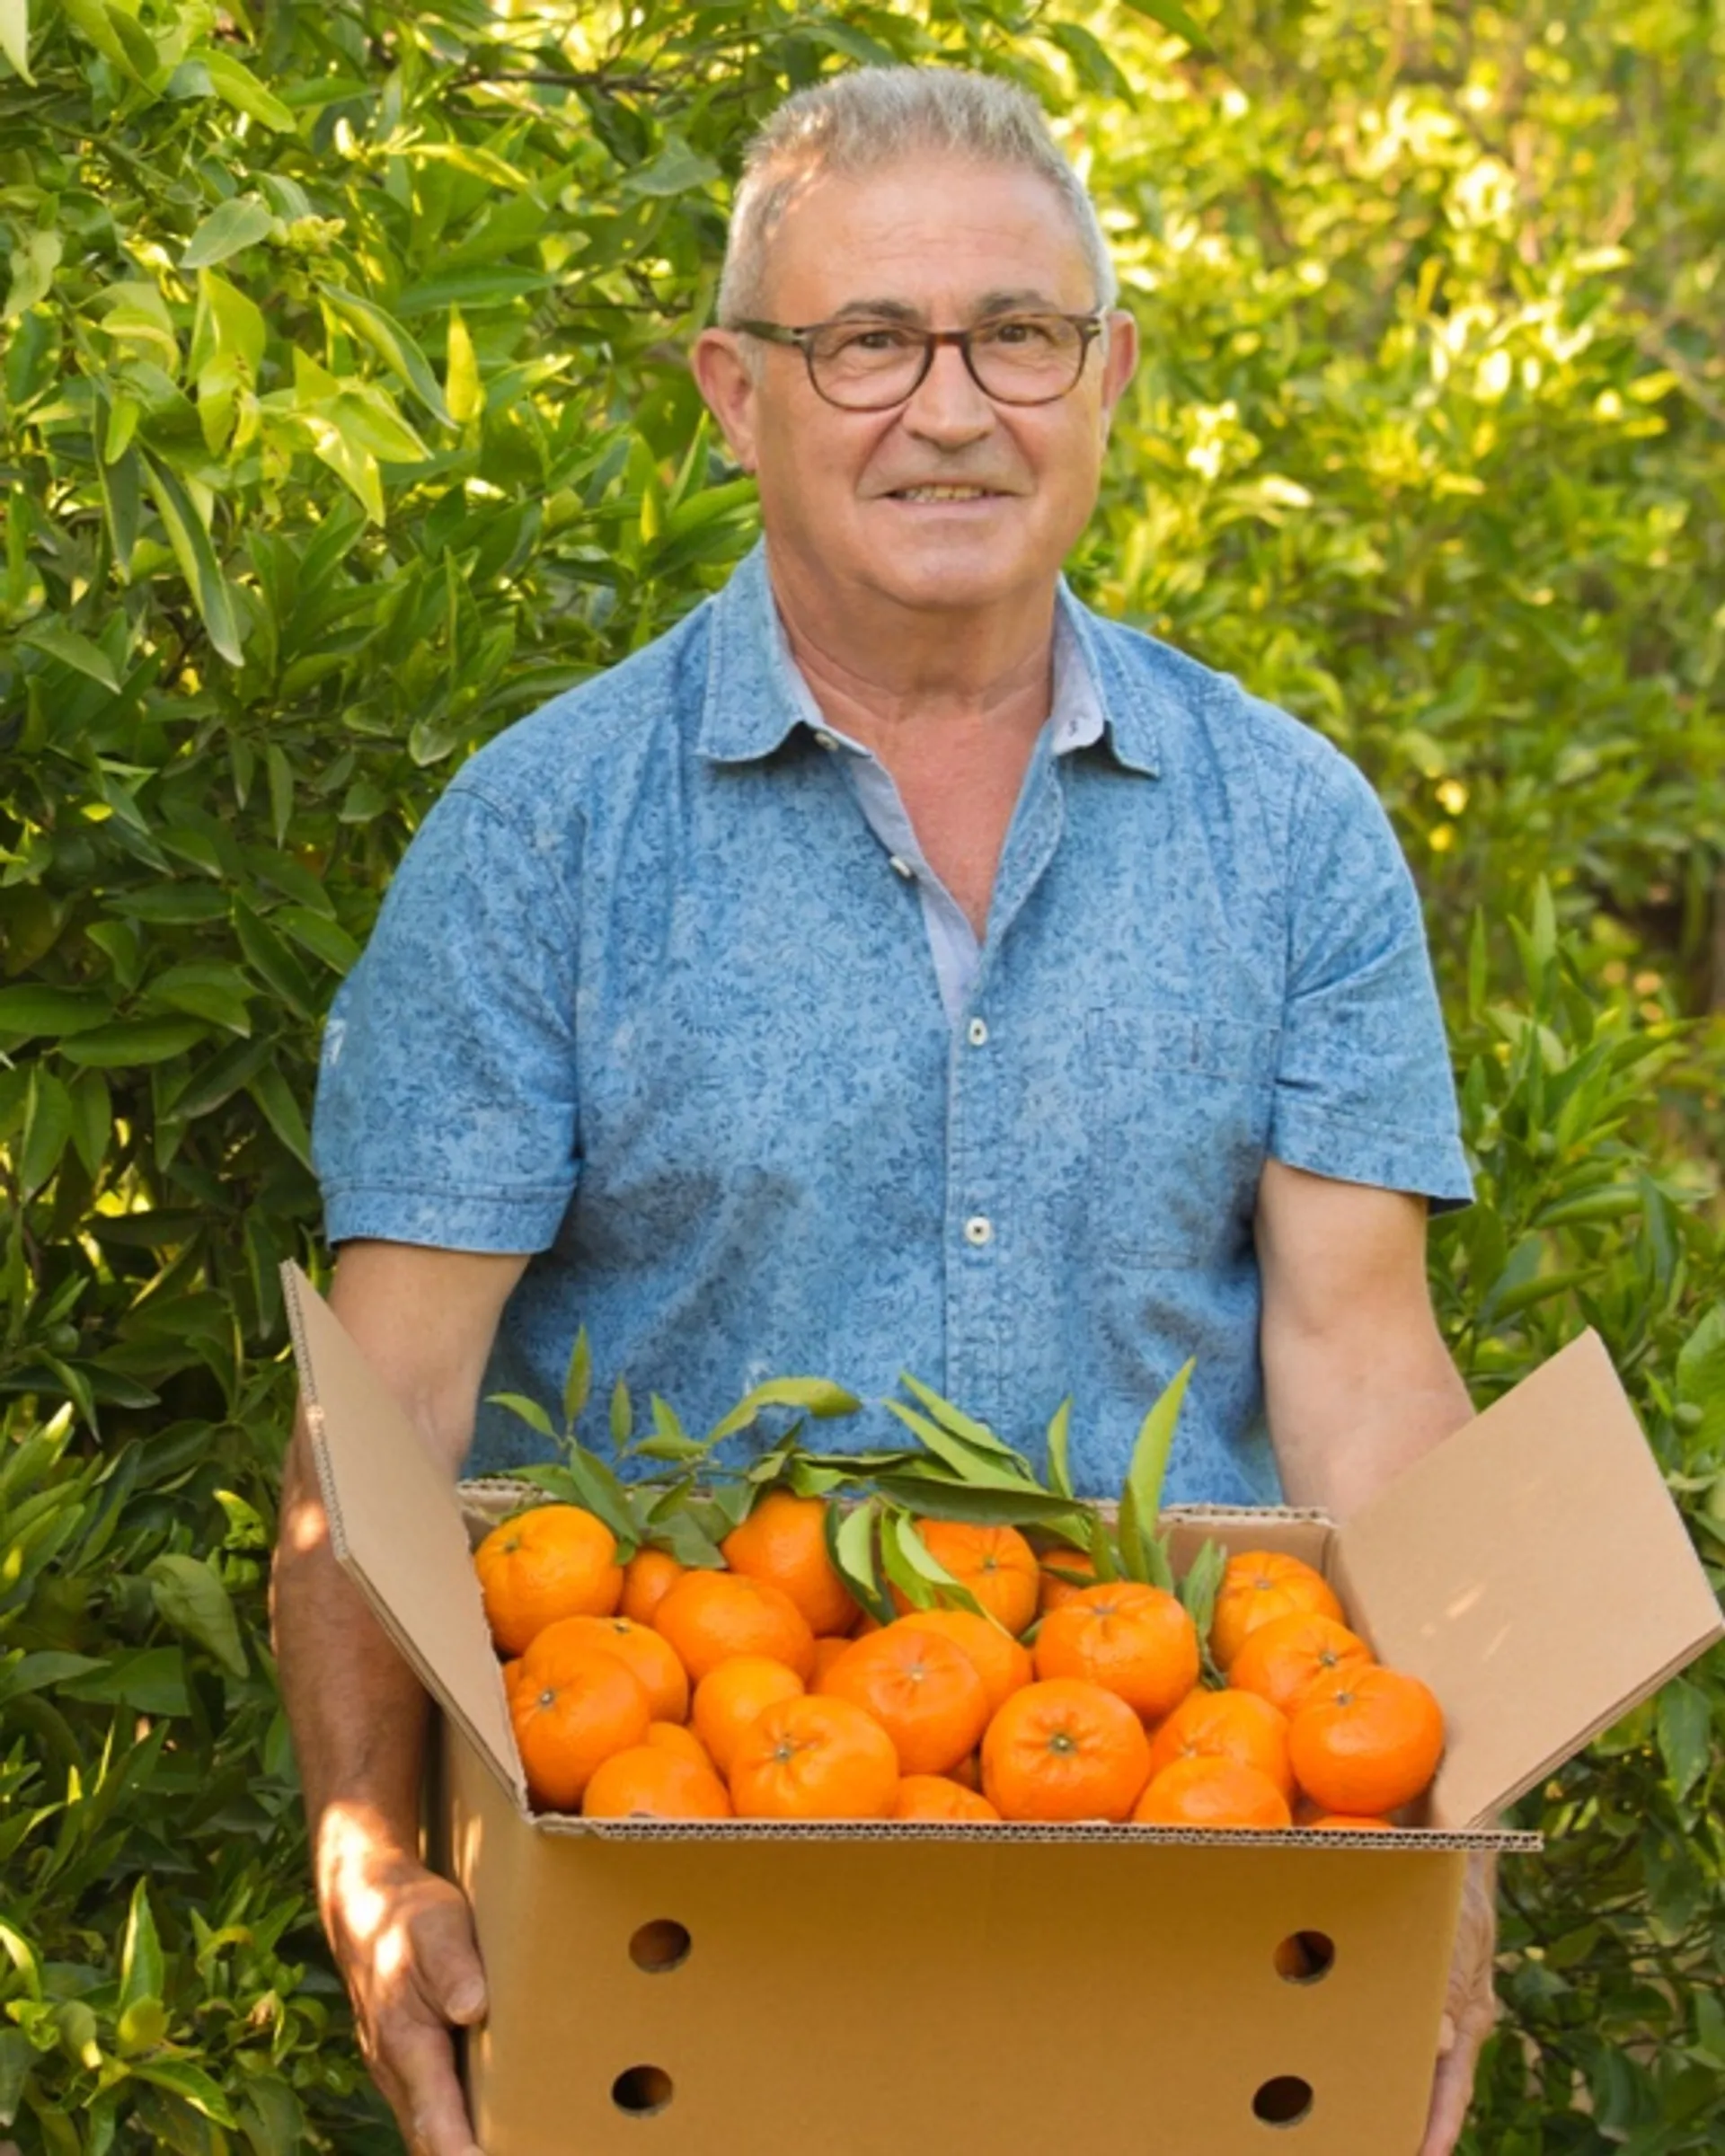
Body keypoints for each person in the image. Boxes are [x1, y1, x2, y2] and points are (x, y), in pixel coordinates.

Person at [272, 64, 1495, 2156]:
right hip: (666, 1901)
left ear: (1106, 377)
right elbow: (381, 1417)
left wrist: (1440, 1869)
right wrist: (370, 1852)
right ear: (734, 395)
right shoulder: (547, 838)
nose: (950, 411)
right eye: (866, 342)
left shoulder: (1290, 834)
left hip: (1189, 1888)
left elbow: (1368, 1374)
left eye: (1017, 334)